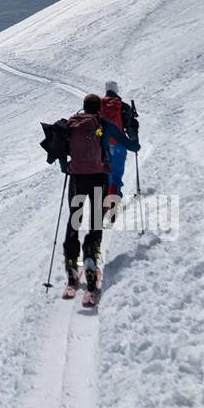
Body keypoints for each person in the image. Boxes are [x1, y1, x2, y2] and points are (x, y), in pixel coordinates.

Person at [60, 92, 140, 296]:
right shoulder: (104, 124)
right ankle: (90, 261)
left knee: (74, 220)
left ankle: (71, 266)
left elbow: (61, 153)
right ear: (100, 108)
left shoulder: (71, 124)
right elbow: (133, 146)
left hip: (77, 180)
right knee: (96, 222)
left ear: (84, 107)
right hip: (99, 179)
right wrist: (133, 129)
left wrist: (66, 166)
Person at [98, 81, 139, 202]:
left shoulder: (98, 105)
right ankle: (114, 197)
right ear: (116, 90)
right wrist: (134, 140)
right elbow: (130, 126)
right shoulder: (123, 106)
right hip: (119, 144)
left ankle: (104, 197)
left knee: (105, 171)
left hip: (103, 144)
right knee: (116, 172)